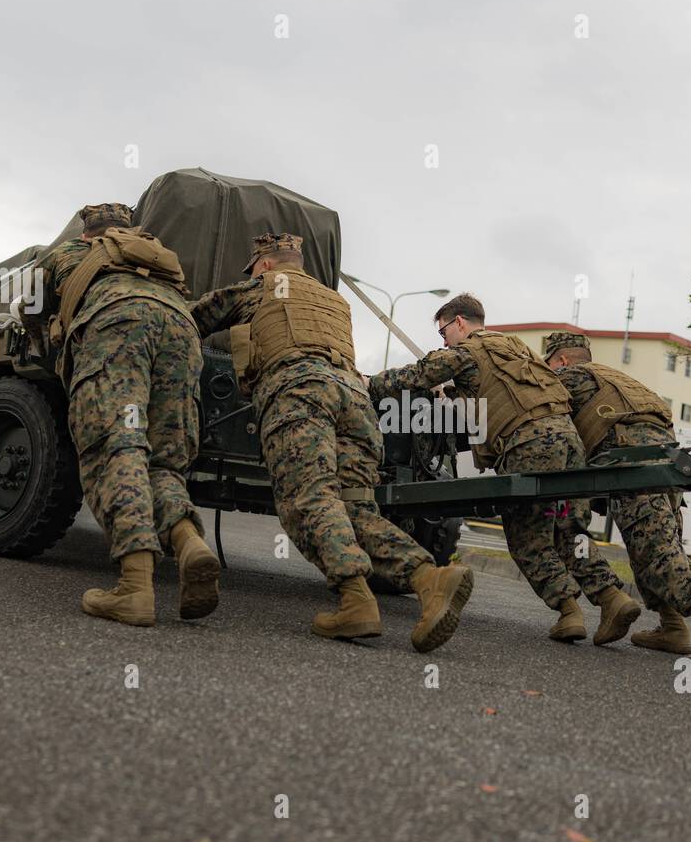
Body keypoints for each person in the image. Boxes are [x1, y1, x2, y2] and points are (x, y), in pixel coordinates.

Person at [190, 233, 472, 652]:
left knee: (309, 500)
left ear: (264, 264)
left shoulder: (261, 286)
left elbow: (191, 319)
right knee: (355, 505)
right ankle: (429, 579)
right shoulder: (334, 300)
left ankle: (355, 599)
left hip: (300, 393)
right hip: (356, 401)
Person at [368, 295, 642, 644]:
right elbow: (498, 389)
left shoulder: (468, 349)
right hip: (568, 441)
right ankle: (613, 599)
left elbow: (419, 374)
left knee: (528, 535)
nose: (444, 340)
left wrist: (370, 384)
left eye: (444, 332)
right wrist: (453, 394)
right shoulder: (516, 348)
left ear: (461, 323)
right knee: (568, 528)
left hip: (529, 444)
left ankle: (569, 611)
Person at [34, 203, 220, 627]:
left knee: (118, 446)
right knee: (164, 462)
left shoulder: (68, 255)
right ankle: (189, 541)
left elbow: (33, 309)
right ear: (128, 230)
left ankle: (135, 588)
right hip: (181, 332)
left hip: (118, 325)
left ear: (87, 234)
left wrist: (47, 345)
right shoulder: (154, 255)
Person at [541, 331, 691, 658]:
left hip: (632, 461)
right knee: (650, 542)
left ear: (560, 360)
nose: (549, 369)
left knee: (657, 548)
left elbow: (536, 405)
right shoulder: (618, 378)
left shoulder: (569, 375)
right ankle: (672, 628)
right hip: (668, 460)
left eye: (550, 363)